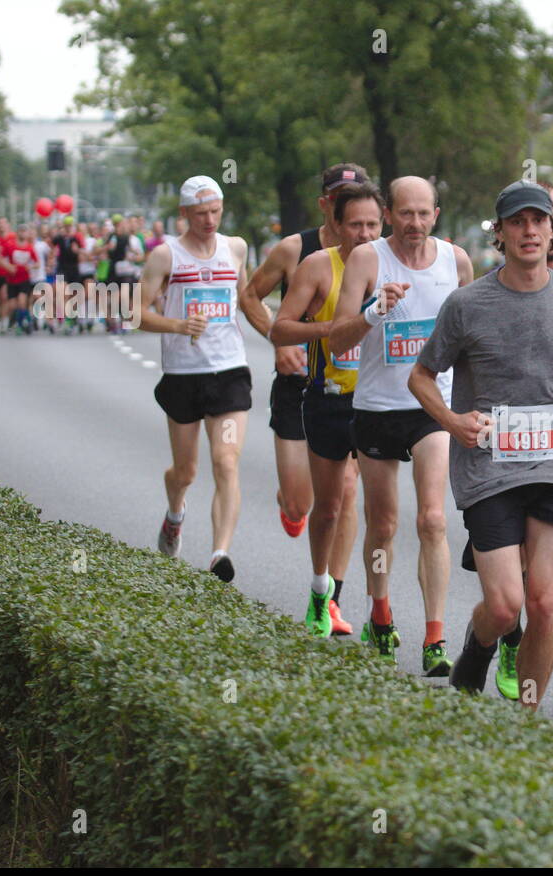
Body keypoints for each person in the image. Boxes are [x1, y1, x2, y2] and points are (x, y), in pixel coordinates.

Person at [409, 180, 553, 706]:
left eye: (539, 220)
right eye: (518, 222)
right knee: (504, 606)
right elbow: (422, 377)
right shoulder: (467, 304)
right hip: (491, 467)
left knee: (543, 603)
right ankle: (478, 645)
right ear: (501, 233)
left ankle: (526, 723)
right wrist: (451, 421)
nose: (530, 231)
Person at [328, 176, 473, 672]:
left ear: (436, 213)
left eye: (424, 213)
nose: (415, 224)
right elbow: (335, 342)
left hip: (433, 407)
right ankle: (380, 612)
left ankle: (435, 637)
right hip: (377, 408)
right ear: (389, 214)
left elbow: (473, 339)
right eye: (406, 214)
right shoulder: (367, 259)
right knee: (383, 525)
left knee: (432, 518)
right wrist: (373, 312)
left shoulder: (456, 262)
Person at [238, 163, 370, 602]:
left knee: (347, 491)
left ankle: (331, 596)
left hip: (352, 391)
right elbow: (250, 296)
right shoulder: (294, 250)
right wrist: (277, 343)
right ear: (326, 205)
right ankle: (291, 502)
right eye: (337, 200)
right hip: (300, 388)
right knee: (300, 505)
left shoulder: (377, 255)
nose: (347, 213)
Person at [269, 180, 385, 643]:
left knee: (385, 513)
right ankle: (320, 586)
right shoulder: (318, 266)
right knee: (330, 506)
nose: (363, 233)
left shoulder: (398, 266)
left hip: (380, 402)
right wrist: (329, 330)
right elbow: (280, 330)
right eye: (354, 224)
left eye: (372, 224)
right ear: (336, 224)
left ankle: (351, 602)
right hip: (329, 399)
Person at [137, 175, 260, 582]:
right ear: (184, 214)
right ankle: (175, 512)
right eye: (200, 213)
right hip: (183, 374)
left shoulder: (236, 248)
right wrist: (177, 325)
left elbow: (245, 299)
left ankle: (219, 553)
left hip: (229, 371)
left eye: (215, 211)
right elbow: (136, 313)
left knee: (226, 461)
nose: (209, 220)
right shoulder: (165, 256)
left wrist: (280, 336)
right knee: (185, 471)